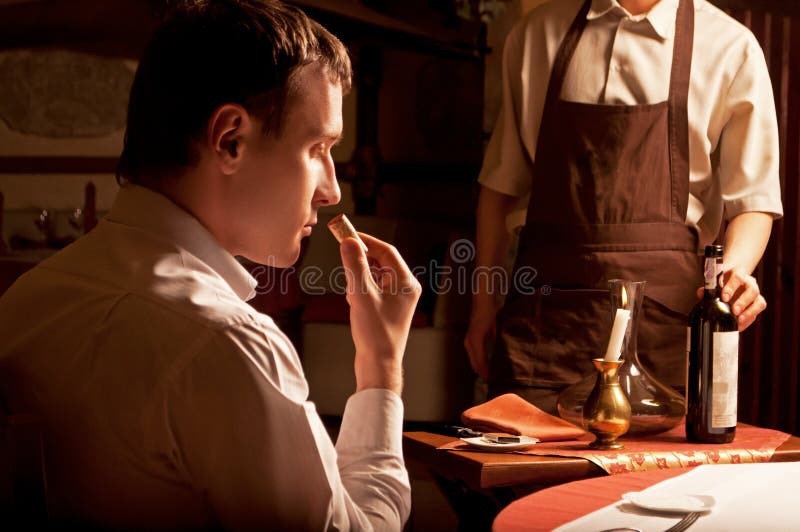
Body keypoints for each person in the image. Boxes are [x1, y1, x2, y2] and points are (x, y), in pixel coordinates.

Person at [0, 0, 421, 529]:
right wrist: (381, 366)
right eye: (317, 148)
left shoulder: (26, 302)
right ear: (230, 140)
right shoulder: (225, 344)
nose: (332, 190)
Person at [464, 0, 783, 414]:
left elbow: (753, 202)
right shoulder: (533, 37)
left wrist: (730, 279)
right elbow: (500, 185)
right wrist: (482, 305)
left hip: (666, 337)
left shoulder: (731, 47)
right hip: (542, 336)